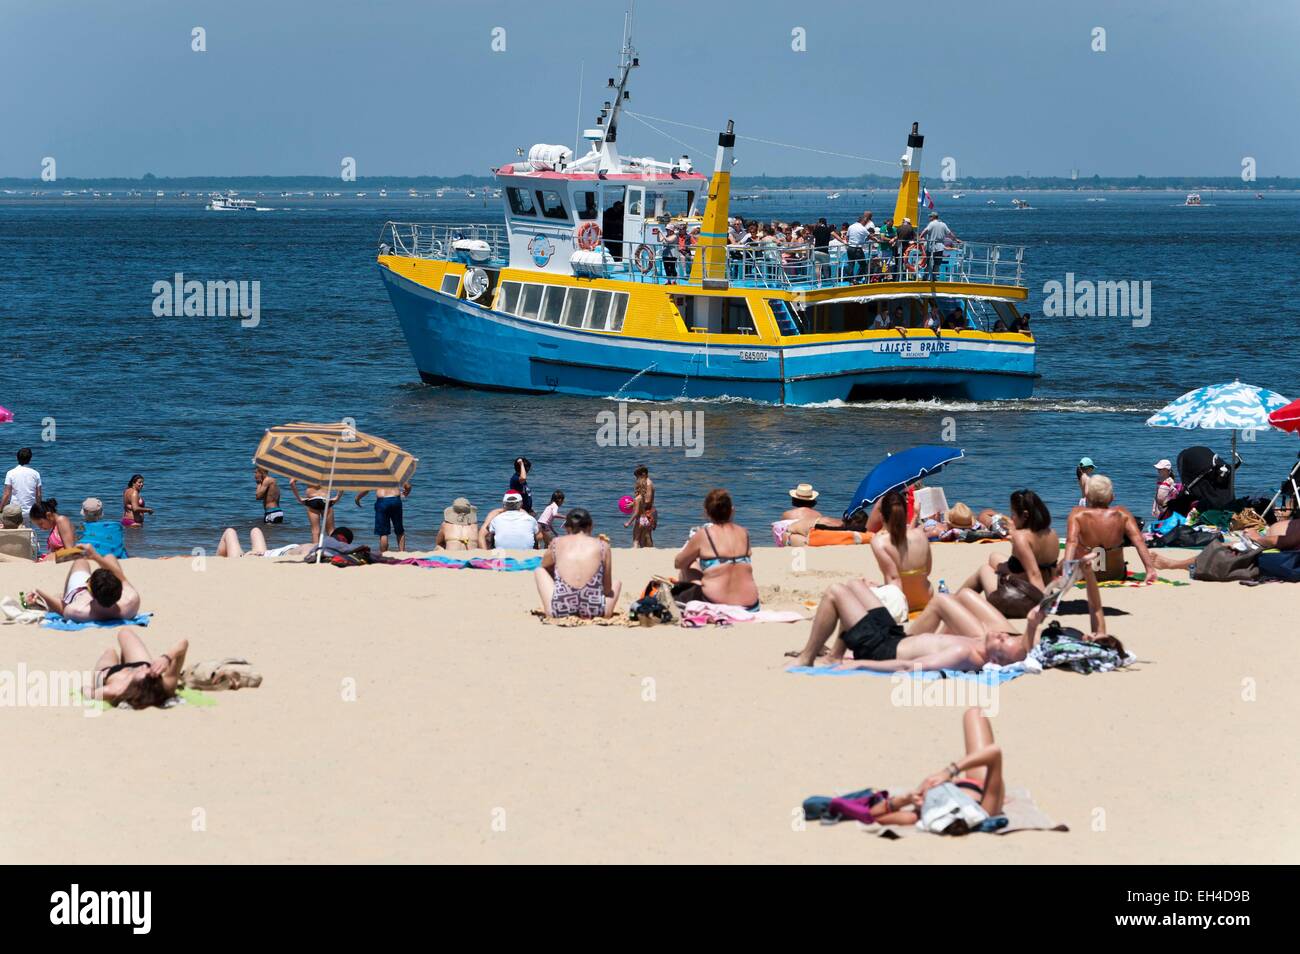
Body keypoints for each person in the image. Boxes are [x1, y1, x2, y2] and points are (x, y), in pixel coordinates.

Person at [790, 583, 1047, 670]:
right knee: (855, 586)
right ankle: (834, 654)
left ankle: (806, 658)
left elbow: (909, 667)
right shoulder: (979, 642)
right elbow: (1025, 647)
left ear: (994, 658)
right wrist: (1032, 627)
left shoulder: (964, 654)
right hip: (894, 635)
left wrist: (860, 664)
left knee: (836, 592)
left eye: (1002, 640)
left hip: (882, 649)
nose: (1002, 633)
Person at [859, 708, 1007, 826]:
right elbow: (994, 752)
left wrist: (906, 799)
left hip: (959, 784)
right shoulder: (984, 811)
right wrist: (949, 772)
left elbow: (874, 816)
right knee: (974, 713)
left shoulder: (924, 815)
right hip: (980, 783)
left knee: (974, 713)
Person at [672, 489, 760, 610]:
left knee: (689, 563)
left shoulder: (704, 534)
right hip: (751, 605)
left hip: (715, 602)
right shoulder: (744, 533)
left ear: (706, 513)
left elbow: (678, 563)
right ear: (732, 510)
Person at [962, 489, 1059, 596]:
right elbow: (1032, 557)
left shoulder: (1021, 537)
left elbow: (1034, 574)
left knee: (984, 570)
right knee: (994, 556)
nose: (1011, 518)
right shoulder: (1052, 533)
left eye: (1013, 514)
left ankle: (955, 599)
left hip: (1026, 592)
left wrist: (1042, 604)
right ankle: (955, 599)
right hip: (1046, 585)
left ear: (1025, 515)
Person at [534, 508, 622, 619]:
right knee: (617, 583)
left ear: (567, 528)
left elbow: (544, 565)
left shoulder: (557, 543)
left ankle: (560, 598)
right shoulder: (603, 546)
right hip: (595, 612)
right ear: (591, 526)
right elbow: (607, 589)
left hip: (560, 610)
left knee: (539, 571)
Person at [27, 544, 141, 622]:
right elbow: (122, 578)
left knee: (80, 560)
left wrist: (39, 592)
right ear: (119, 590)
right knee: (110, 557)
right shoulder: (131, 601)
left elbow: (62, 608)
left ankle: (56, 559)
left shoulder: (78, 610)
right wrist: (95, 557)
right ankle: (89, 557)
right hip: (100, 595)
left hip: (76, 594)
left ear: (90, 592)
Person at [91, 629, 188, 709]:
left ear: (136, 687)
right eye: (151, 670)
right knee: (124, 633)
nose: (146, 667)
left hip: (109, 672)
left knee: (110, 651)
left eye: (145, 671)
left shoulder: (115, 689)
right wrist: (166, 658)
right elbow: (183, 643)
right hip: (137, 662)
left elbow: (88, 692)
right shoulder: (166, 686)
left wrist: (97, 681)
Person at [870, 490, 932, 611]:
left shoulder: (878, 542)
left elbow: (893, 579)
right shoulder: (921, 535)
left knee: (862, 587)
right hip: (926, 597)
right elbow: (928, 571)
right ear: (904, 513)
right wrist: (915, 515)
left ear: (882, 516)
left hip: (900, 603)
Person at [217, 525, 351, 559]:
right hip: (264, 553)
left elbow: (306, 554)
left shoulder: (313, 550)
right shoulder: (315, 547)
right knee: (256, 530)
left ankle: (219, 561)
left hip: (253, 558)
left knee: (230, 532)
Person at [355, 482, 412, 554]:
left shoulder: (377, 476)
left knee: (383, 533)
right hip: (395, 500)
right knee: (399, 530)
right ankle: (402, 553)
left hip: (382, 502)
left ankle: (384, 554)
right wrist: (406, 493)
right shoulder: (395, 475)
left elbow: (366, 490)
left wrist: (357, 498)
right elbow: (408, 486)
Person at [2, 448, 42, 520]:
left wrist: (0, 509)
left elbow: (7, 494)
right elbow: (38, 495)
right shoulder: (36, 474)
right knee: (30, 530)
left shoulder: (11, 473)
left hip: (15, 511)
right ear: (30, 459)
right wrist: (39, 510)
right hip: (31, 511)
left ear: (17, 458)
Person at [919, 211, 958, 280]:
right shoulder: (943, 224)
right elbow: (949, 233)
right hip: (940, 247)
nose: (929, 218)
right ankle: (934, 277)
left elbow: (925, 231)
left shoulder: (931, 224)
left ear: (933, 217)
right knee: (937, 263)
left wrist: (920, 237)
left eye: (930, 216)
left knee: (928, 263)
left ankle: (925, 277)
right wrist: (955, 239)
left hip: (931, 247)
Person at [625, 465, 656, 548]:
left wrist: (634, 503)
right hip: (645, 511)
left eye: (637, 477)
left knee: (643, 536)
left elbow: (648, 500)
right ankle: (646, 551)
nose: (636, 479)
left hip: (647, 512)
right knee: (644, 536)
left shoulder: (648, 484)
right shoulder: (645, 483)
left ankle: (648, 551)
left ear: (643, 474)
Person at [845, 212, 875, 284]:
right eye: (865, 222)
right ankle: (859, 278)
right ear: (862, 221)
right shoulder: (862, 228)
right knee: (863, 264)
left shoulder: (851, 226)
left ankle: (851, 280)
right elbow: (870, 236)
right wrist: (877, 240)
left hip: (850, 247)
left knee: (851, 264)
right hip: (858, 249)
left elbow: (847, 237)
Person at [811, 217, 833, 282]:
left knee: (817, 268)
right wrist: (842, 241)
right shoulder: (828, 229)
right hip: (824, 252)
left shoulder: (816, 230)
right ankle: (827, 280)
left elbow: (811, 238)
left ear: (820, 222)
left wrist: (807, 243)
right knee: (826, 268)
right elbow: (834, 235)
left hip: (816, 251)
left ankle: (819, 282)